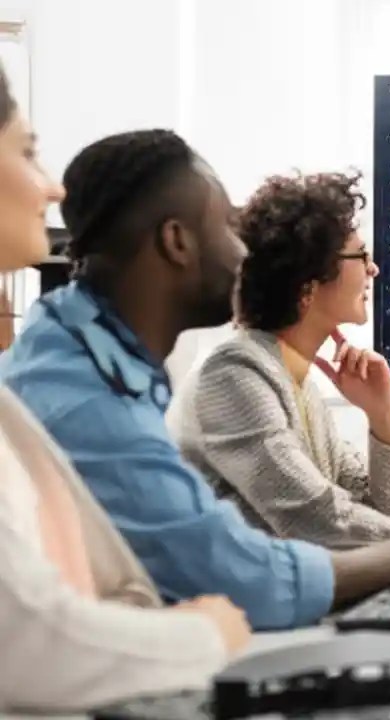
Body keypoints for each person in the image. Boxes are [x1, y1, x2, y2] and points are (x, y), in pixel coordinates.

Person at [0, 129, 390, 633]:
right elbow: (247, 556)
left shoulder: (115, 366)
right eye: (226, 229)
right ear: (177, 241)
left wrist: (385, 420)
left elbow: (366, 515)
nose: (243, 256)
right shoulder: (106, 391)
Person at [0, 68, 248, 712]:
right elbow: (30, 639)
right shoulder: (68, 388)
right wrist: (203, 635)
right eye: (26, 151)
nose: (51, 186)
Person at [169, 171, 390, 549]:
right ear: (309, 284)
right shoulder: (232, 377)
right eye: (361, 255)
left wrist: (385, 418)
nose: (373, 269)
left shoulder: (297, 384)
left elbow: (384, 514)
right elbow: (315, 518)